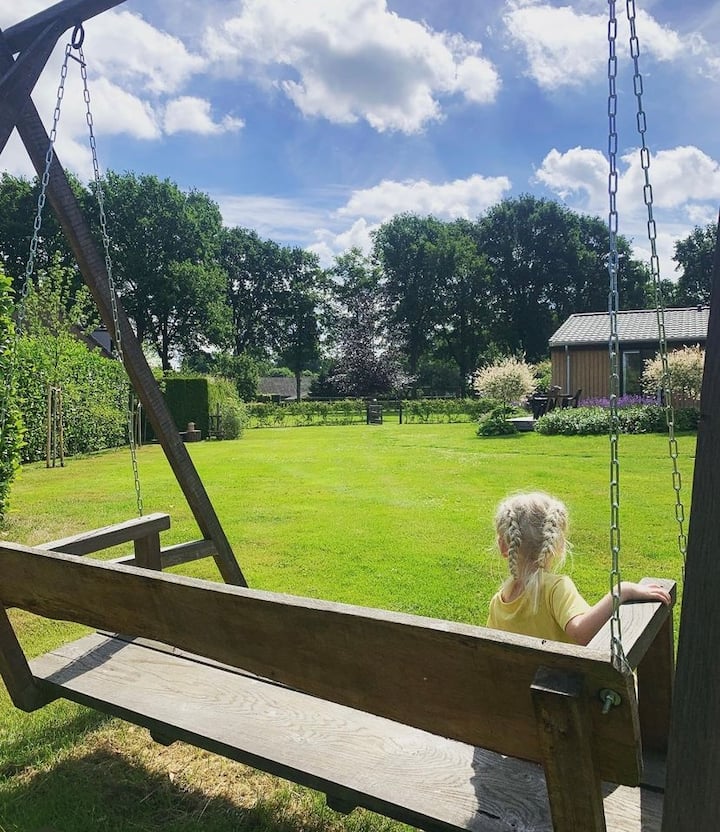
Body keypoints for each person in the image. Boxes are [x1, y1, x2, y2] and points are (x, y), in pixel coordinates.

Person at [486, 491, 671, 645]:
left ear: (504, 547)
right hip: (570, 687)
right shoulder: (554, 588)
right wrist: (622, 591)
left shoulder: (499, 603)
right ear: (557, 544)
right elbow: (581, 632)